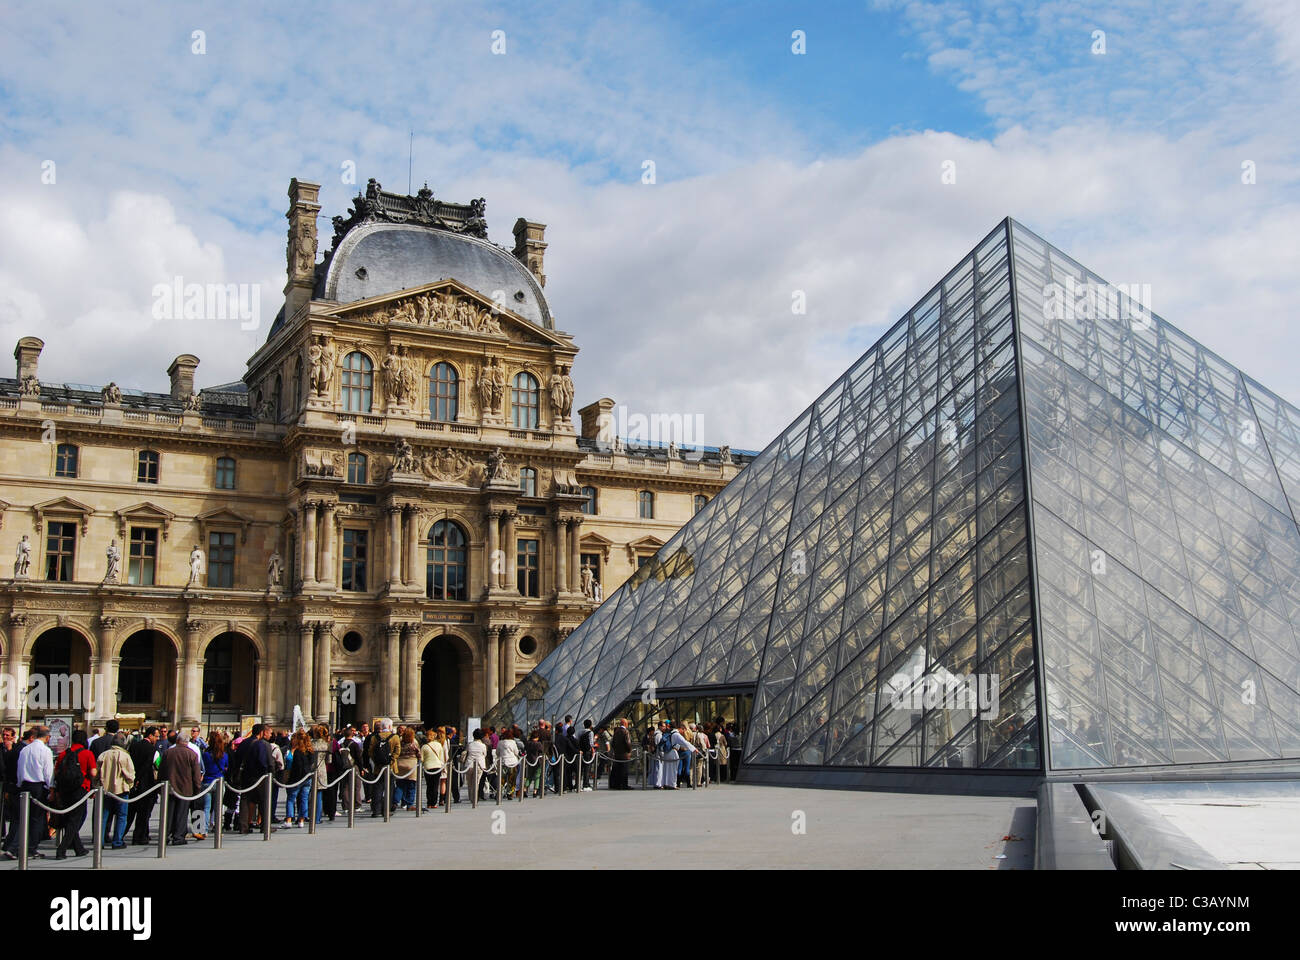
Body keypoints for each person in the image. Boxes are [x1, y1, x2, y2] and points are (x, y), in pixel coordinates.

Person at [2, 725, 53, 859]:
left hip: (24, 785)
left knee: (22, 817)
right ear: (47, 737)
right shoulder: (45, 750)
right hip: (38, 787)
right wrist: (51, 787)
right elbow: (48, 773)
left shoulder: (25, 749)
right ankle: (31, 848)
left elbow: (20, 769)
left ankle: (13, 847)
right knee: (36, 819)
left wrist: (20, 784)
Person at [53, 729, 96, 859]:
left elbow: (56, 772)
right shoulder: (87, 753)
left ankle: (79, 848)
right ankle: (62, 849)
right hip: (80, 789)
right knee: (75, 819)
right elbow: (93, 773)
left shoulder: (63, 754)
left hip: (65, 790)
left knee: (69, 818)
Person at [159, 732, 202, 845]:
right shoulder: (192, 754)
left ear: (177, 740)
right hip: (185, 789)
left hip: (169, 787)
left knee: (169, 813)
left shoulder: (168, 752)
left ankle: (165, 835)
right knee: (181, 814)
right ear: (187, 742)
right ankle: (178, 837)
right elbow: (196, 775)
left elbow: (161, 770)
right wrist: (197, 789)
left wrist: (160, 785)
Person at [98, 732, 135, 849]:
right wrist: (130, 784)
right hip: (121, 789)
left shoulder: (103, 755)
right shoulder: (125, 756)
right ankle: (117, 841)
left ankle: (100, 840)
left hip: (105, 789)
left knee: (104, 816)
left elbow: (97, 773)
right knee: (121, 816)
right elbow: (130, 774)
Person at [127, 726, 160, 845]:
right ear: (150, 735)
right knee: (144, 813)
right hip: (146, 784)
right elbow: (152, 765)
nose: (157, 739)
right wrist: (139, 779)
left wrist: (134, 779)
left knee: (131, 812)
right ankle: (140, 836)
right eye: (156, 736)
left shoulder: (134, 745)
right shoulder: (152, 749)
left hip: (133, 782)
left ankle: (122, 834)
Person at [196, 731, 227, 840]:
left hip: (208, 782)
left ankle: (204, 830)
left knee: (206, 807)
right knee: (218, 808)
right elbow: (226, 768)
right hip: (219, 781)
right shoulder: (224, 755)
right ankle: (218, 828)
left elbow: (202, 767)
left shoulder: (205, 754)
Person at [284, 729, 313, 827]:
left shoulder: (297, 752)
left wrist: (292, 779)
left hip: (297, 778)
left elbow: (297, 767)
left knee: (291, 799)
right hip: (307, 777)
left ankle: (288, 820)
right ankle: (301, 820)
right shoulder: (310, 751)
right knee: (304, 799)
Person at [310, 725, 335, 823]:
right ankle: (317, 818)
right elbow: (329, 760)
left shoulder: (311, 744)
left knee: (309, 794)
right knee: (319, 795)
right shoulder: (326, 745)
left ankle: (308, 815)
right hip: (321, 770)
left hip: (310, 769)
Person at [392, 726, 420, 811]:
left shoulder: (400, 741)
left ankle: (395, 802)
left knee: (400, 785)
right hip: (411, 765)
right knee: (411, 786)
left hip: (400, 764)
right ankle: (409, 804)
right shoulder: (414, 742)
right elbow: (418, 753)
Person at [419, 727, 447, 811]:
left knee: (429, 785)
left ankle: (429, 802)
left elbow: (422, 759)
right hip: (437, 766)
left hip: (428, 767)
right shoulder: (438, 745)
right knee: (435, 785)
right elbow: (441, 757)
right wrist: (442, 766)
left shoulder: (424, 747)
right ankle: (434, 803)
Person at [497, 726, 521, 799]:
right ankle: (510, 793)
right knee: (512, 779)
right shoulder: (513, 742)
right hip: (512, 763)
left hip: (503, 762)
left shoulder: (500, 743)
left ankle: (500, 792)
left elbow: (497, 752)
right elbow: (516, 752)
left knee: (502, 779)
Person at [465, 729, 488, 801]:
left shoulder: (470, 744)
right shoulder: (483, 745)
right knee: (476, 782)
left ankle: (470, 797)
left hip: (469, 764)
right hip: (479, 765)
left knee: (469, 782)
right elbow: (485, 754)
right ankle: (475, 798)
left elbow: (467, 752)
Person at [611, 719, 632, 790]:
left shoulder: (616, 731)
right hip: (624, 754)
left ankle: (618, 784)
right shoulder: (626, 731)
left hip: (617, 754)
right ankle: (624, 785)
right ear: (625, 724)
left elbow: (613, 743)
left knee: (618, 770)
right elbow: (628, 743)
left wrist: (616, 750)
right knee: (624, 770)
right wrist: (629, 751)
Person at [577, 719, 596, 791]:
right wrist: (593, 750)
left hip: (581, 751)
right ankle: (586, 783)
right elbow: (591, 743)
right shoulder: (590, 733)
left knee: (580, 768)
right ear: (590, 725)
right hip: (587, 752)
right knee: (587, 768)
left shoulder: (579, 732)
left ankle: (578, 784)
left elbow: (578, 741)